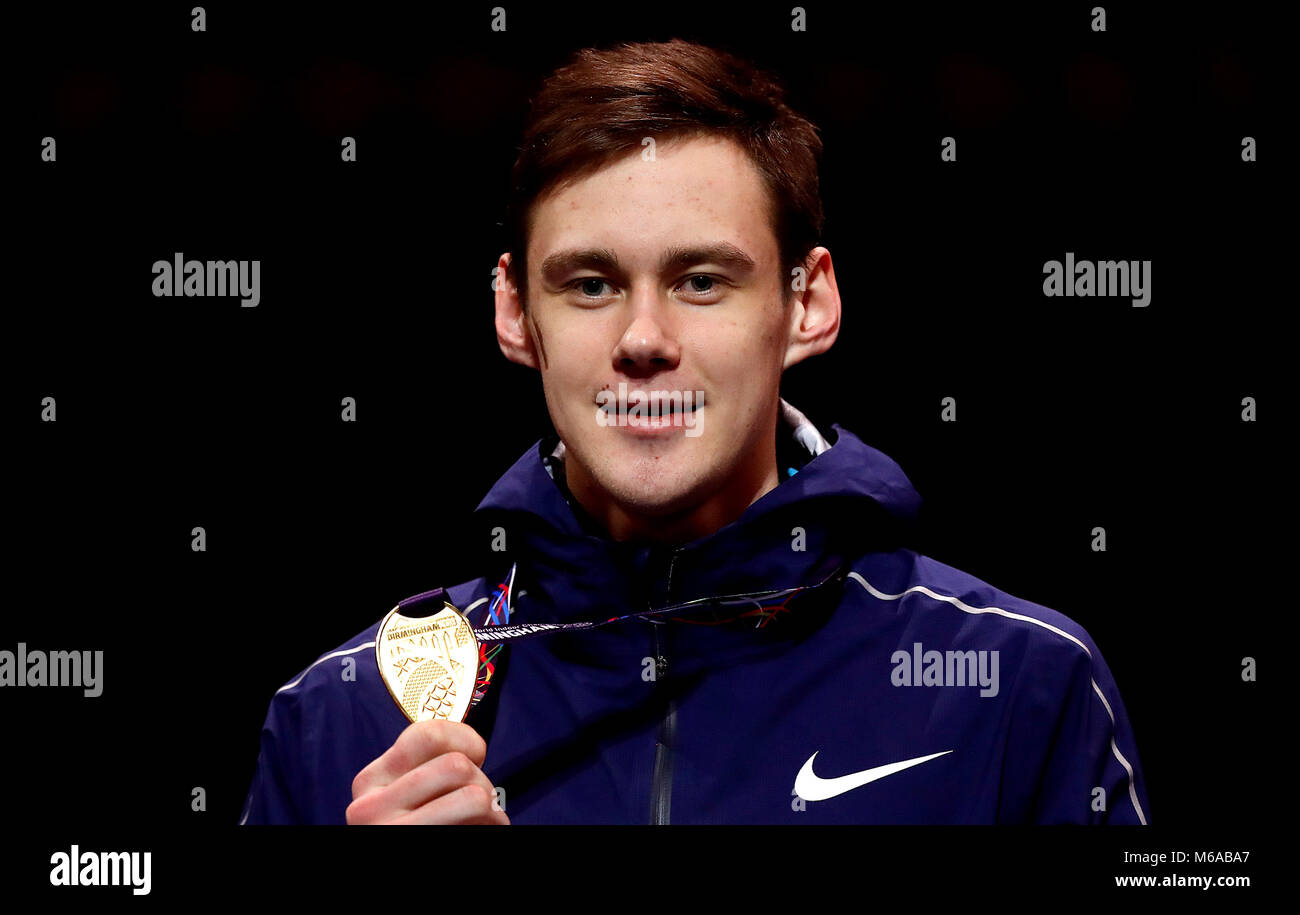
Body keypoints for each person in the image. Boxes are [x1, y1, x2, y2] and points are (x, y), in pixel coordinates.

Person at [240, 38, 1150, 825]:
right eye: (590, 283)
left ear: (808, 302)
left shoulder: (1016, 685)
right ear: (516, 313)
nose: (643, 340)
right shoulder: (344, 714)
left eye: (702, 280)